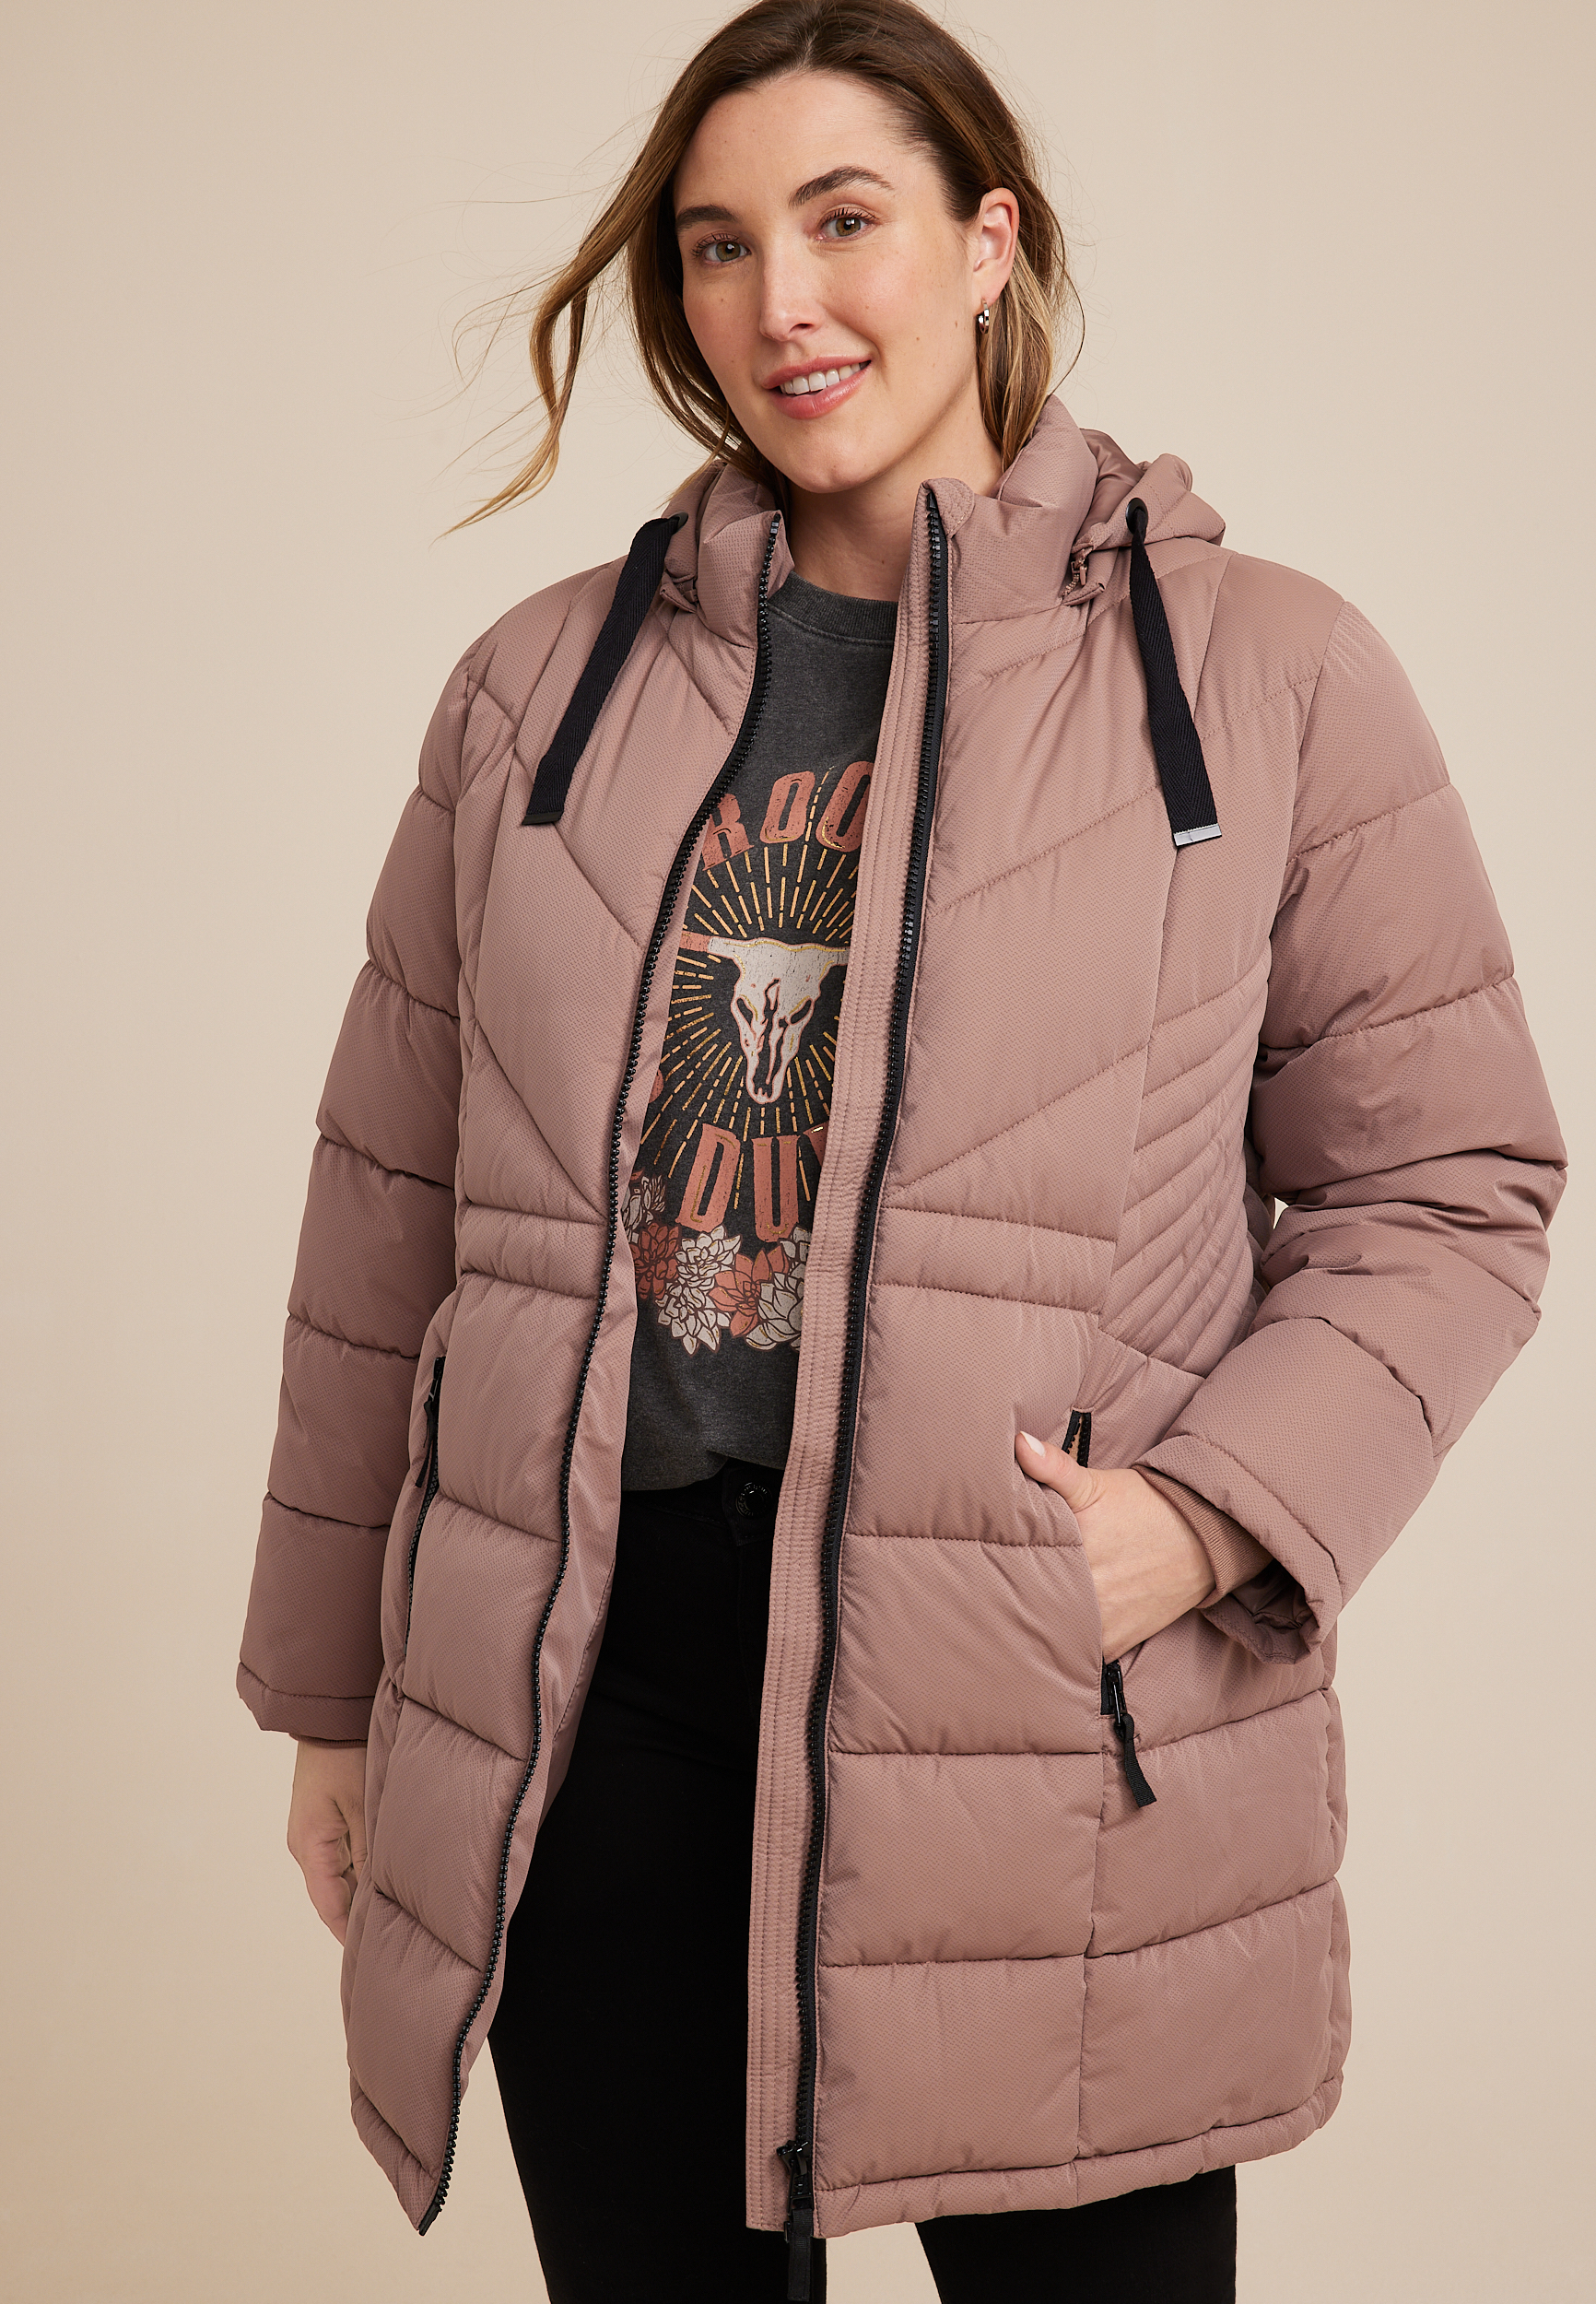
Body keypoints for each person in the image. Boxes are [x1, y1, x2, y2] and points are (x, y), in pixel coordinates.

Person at [237, 4, 1565, 2298]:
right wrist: (331, 1698)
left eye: (843, 218)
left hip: (1031, 1694)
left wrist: (1205, 1517)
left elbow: (1447, 1183)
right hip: (593, 1685)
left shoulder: (1263, 675)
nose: (781, 301)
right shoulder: (534, 690)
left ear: (983, 242)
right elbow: (387, 1215)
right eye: (715, 244)